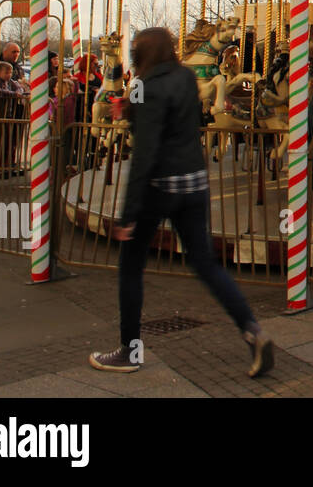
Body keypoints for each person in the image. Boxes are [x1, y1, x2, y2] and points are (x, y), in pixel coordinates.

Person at [89, 27, 273, 378]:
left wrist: (128, 213)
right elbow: (177, 121)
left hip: (160, 186)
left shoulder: (144, 84)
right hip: (195, 183)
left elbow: (145, 151)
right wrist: (134, 112)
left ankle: (130, 350)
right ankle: (253, 330)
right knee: (205, 264)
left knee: (131, 266)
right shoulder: (186, 78)